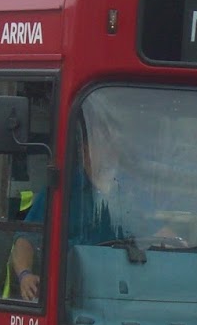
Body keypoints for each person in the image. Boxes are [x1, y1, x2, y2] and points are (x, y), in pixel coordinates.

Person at [8, 128, 166, 301]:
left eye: (113, 149)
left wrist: (183, 242)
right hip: (64, 296)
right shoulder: (59, 191)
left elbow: (155, 235)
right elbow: (25, 239)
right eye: (103, 147)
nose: (109, 154)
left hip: (117, 294)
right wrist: (25, 275)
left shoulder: (129, 196)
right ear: (85, 150)